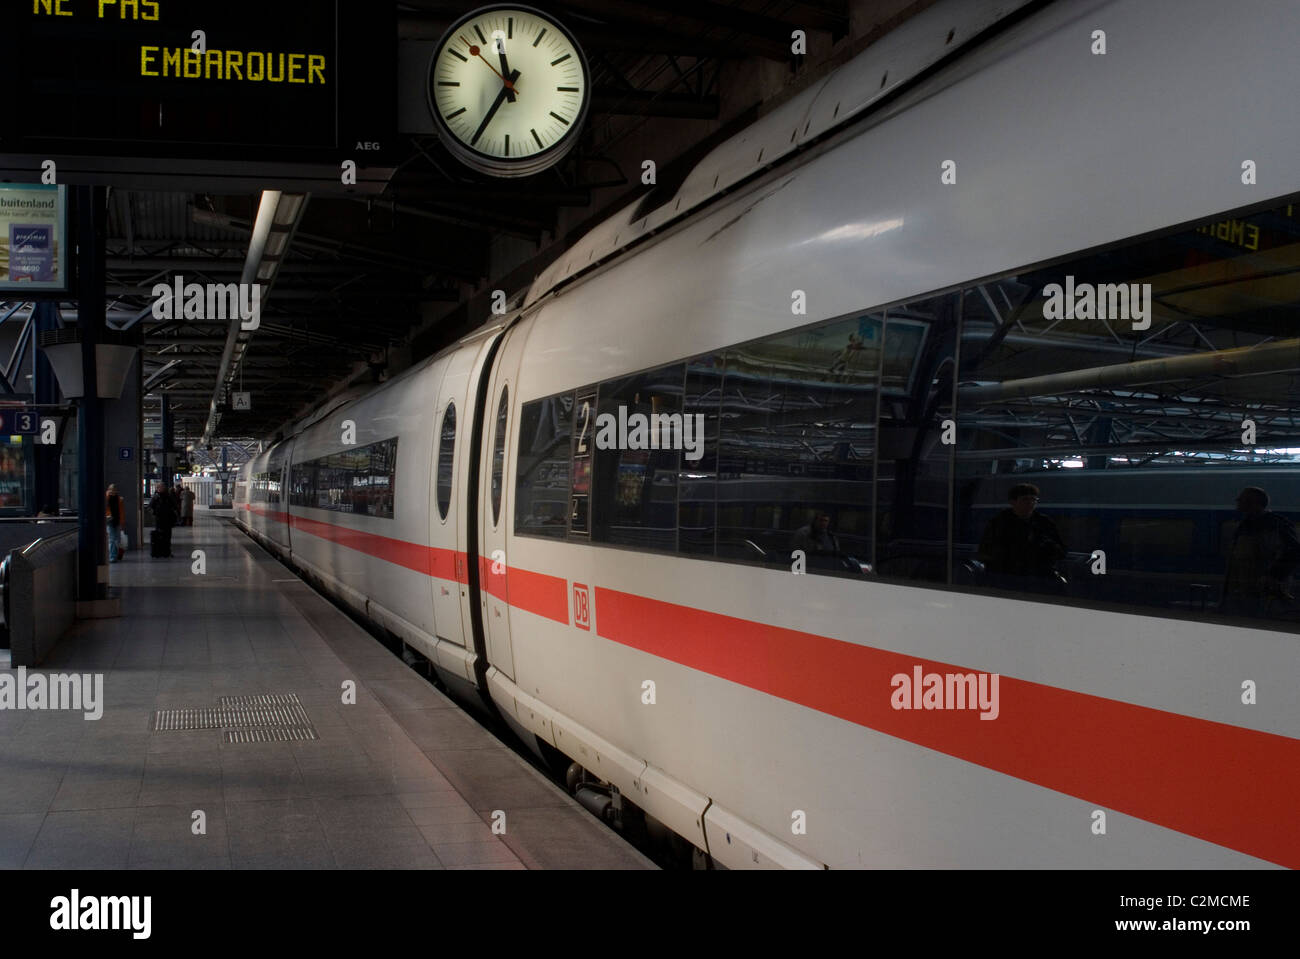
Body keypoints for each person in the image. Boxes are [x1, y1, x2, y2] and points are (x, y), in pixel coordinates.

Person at [1222, 486, 1300, 618]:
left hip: (1264, 590)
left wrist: (1274, 576)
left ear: (1253, 503)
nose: (1237, 500)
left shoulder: (1275, 525)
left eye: (1242, 499)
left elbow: (1293, 551)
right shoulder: (1244, 525)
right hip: (1245, 589)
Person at [978, 483, 1067, 585]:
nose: (1030, 503)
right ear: (1012, 502)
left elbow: (1061, 551)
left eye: (1033, 499)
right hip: (1008, 576)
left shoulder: (1044, 522)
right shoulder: (999, 523)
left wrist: (1046, 546)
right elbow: (986, 552)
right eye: (1025, 499)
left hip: (1039, 575)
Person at [150, 483, 178, 558]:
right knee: (160, 536)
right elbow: (151, 506)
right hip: (159, 520)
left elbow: (174, 506)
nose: (161, 488)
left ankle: (166, 552)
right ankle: (159, 551)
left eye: (162, 487)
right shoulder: (155, 497)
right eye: (159, 487)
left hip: (167, 520)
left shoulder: (168, 496)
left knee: (167, 536)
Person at [105, 485, 123, 563]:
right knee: (112, 540)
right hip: (110, 521)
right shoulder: (106, 498)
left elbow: (121, 511)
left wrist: (122, 521)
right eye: (111, 490)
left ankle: (115, 555)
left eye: (114, 490)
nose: (113, 492)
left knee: (117, 540)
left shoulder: (119, 499)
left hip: (117, 521)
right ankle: (112, 557)